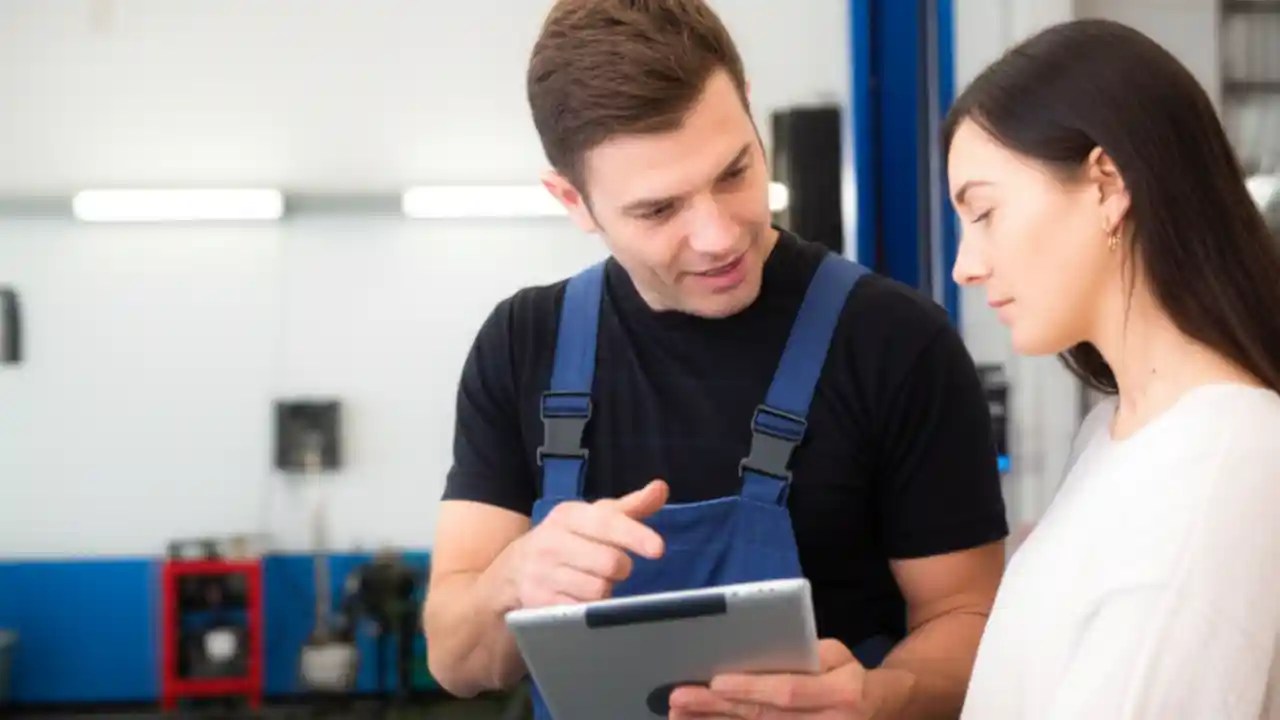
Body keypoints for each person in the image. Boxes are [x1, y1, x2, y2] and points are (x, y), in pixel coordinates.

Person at [424, 1, 1009, 718]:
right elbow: (455, 660)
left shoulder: (896, 344)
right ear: (573, 199)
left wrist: (879, 698)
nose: (718, 236)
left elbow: (972, 624)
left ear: (750, 113)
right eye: (659, 211)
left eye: (734, 173)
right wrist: (511, 580)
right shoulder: (522, 347)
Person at [945, 19, 1280, 719]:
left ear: (1106, 182)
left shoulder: (1226, 458)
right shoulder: (1115, 436)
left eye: (984, 213)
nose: (965, 266)